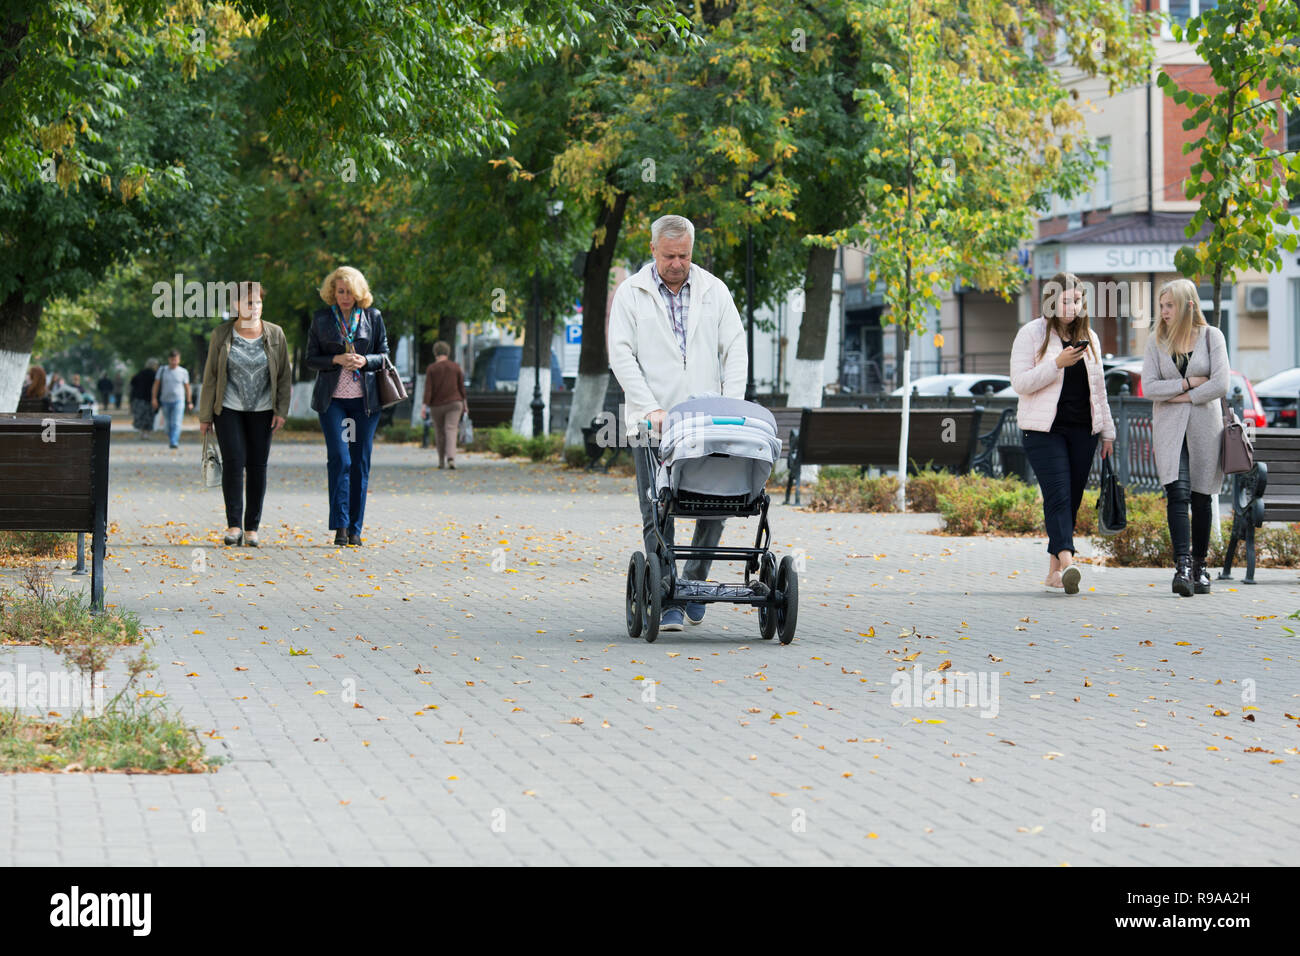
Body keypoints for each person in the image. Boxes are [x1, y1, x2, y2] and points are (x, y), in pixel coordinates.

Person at [608, 214, 747, 632]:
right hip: (652, 425)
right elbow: (621, 355)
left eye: (684, 255)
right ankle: (666, 597)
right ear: (653, 250)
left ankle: (693, 584)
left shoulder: (714, 290)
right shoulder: (631, 294)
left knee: (717, 505)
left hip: (707, 422)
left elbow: (735, 349)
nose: (677, 264)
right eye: (669, 256)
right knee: (658, 509)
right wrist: (650, 407)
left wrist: (731, 404)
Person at [1009, 272, 1115, 595]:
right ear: (1052, 301)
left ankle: (1054, 573)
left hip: (1084, 431)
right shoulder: (1032, 334)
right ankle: (1069, 562)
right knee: (1057, 494)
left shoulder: (1091, 338)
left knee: (1071, 500)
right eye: (1066, 300)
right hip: (1044, 431)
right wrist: (1057, 363)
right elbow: (1020, 383)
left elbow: (1099, 391)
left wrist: (1108, 431)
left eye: (1077, 300)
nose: (1072, 306)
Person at [1141, 279, 1229, 597]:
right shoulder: (1156, 342)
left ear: (1187, 305)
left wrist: (1184, 398)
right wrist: (1188, 384)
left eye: (1169, 305)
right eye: (1161, 306)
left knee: (1202, 496)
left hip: (1206, 427)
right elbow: (1149, 387)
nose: (1163, 312)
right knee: (1177, 495)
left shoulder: (1211, 337)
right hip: (1169, 430)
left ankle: (1201, 566)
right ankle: (1182, 568)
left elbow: (1221, 383)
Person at [198, 283, 291, 547]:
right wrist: (205, 416)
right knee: (234, 463)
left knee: (258, 466)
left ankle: (252, 528)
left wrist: (281, 410)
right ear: (237, 306)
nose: (255, 308)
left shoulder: (275, 334)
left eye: (259, 303)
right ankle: (234, 525)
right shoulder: (222, 334)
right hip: (228, 409)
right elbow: (210, 377)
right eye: (249, 303)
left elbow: (284, 376)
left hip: (263, 410)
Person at [307, 266, 389, 547]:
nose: (345, 297)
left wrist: (365, 361)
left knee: (359, 463)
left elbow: (385, 357)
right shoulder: (321, 319)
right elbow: (310, 358)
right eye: (340, 291)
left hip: (365, 404)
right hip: (333, 403)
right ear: (333, 292)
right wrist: (335, 360)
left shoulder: (372, 317)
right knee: (341, 459)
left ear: (359, 293)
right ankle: (340, 526)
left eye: (350, 292)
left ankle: (356, 529)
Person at [422, 341, 467, 469]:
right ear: (448, 352)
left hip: (437, 405)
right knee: (451, 429)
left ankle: (441, 461)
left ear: (435, 353)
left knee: (440, 432)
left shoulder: (432, 368)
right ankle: (451, 458)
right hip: (455, 403)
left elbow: (428, 389)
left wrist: (424, 406)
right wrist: (465, 404)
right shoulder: (456, 367)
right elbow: (461, 388)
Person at [152, 350, 193, 449]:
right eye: (172, 359)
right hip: (165, 401)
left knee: (176, 422)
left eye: (176, 360)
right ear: (169, 359)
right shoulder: (162, 370)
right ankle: (171, 437)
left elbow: (187, 388)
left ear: (179, 360)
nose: (174, 362)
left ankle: (174, 441)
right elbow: (156, 385)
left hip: (179, 401)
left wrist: (189, 401)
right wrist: (154, 398)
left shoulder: (183, 372)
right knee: (167, 425)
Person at [130, 361, 158, 437]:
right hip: (150, 398)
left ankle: (142, 432)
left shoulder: (140, 373)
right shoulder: (155, 375)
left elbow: (132, 383)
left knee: (141, 416)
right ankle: (147, 433)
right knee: (149, 416)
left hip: (139, 398)